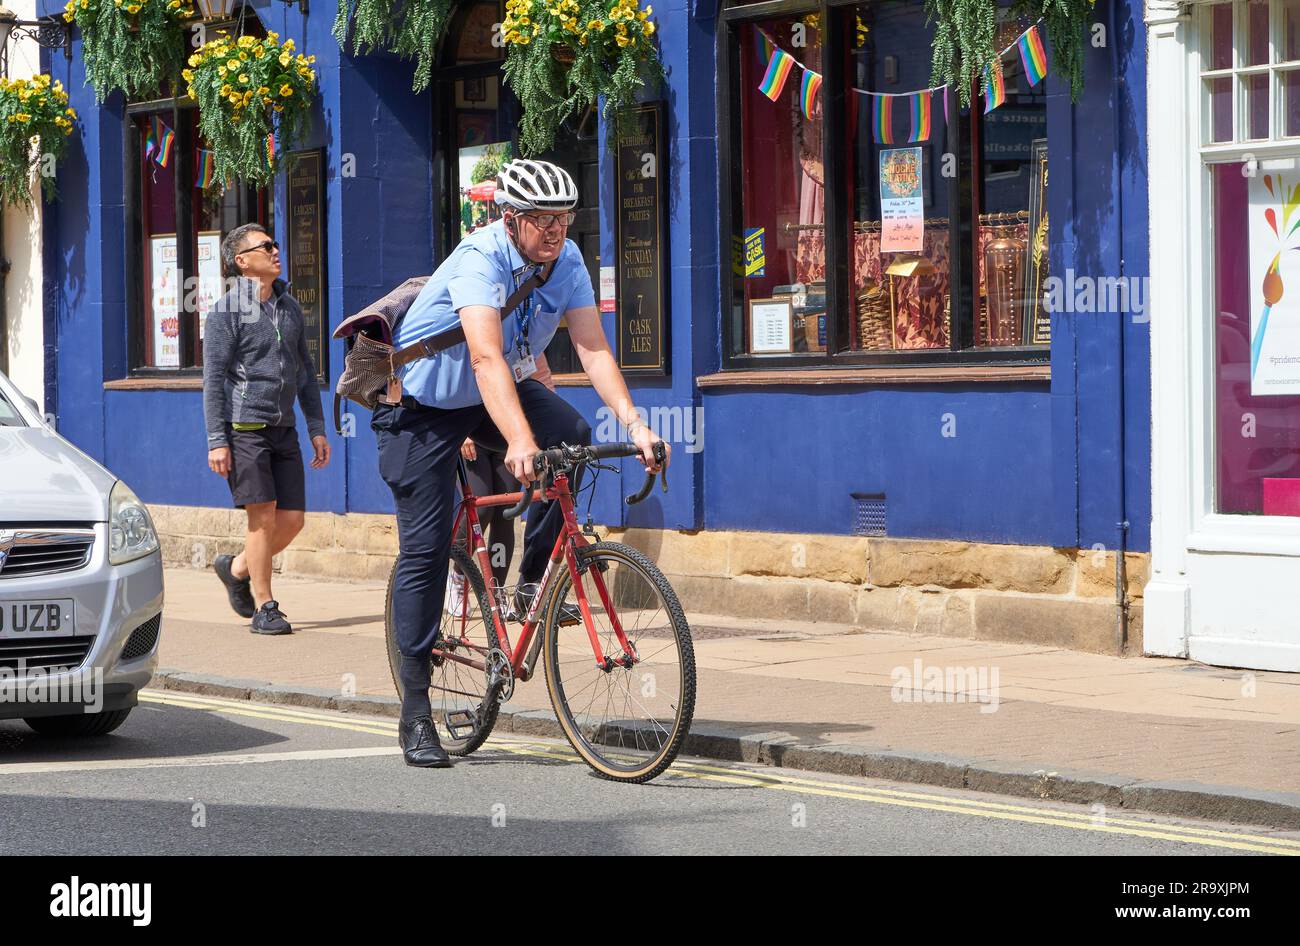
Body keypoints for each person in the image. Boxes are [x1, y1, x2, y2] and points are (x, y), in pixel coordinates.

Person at [374, 159, 668, 768]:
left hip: (497, 388)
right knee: (425, 553)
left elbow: (592, 348)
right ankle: (415, 714)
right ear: (511, 220)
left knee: (575, 433)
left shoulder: (569, 262)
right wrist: (516, 441)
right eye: (541, 220)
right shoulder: (480, 257)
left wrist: (637, 425)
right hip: (428, 404)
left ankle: (531, 579)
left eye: (564, 218)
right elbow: (484, 357)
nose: (556, 230)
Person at [203, 223, 331, 635]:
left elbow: (306, 370)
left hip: (284, 428)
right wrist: (216, 440)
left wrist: (316, 426)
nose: (277, 250)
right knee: (261, 520)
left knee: (292, 520)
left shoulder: (289, 306)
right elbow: (213, 379)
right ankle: (265, 605)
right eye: (266, 246)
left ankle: (237, 567)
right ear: (242, 262)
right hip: (244, 429)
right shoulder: (225, 312)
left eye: (276, 244)